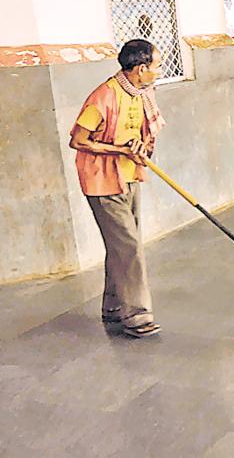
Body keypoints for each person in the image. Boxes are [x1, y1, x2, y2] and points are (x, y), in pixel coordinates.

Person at [69, 39, 165, 338]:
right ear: (140, 69)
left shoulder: (141, 94)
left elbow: (140, 133)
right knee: (129, 246)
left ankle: (113, 306)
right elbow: (78, 140)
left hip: (129, 175)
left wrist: (139, 147)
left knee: (121, 245)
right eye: (157, 66)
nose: (159, 71)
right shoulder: (104, 96)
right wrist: (120, 150)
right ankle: (137, 314)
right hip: (101, 180)